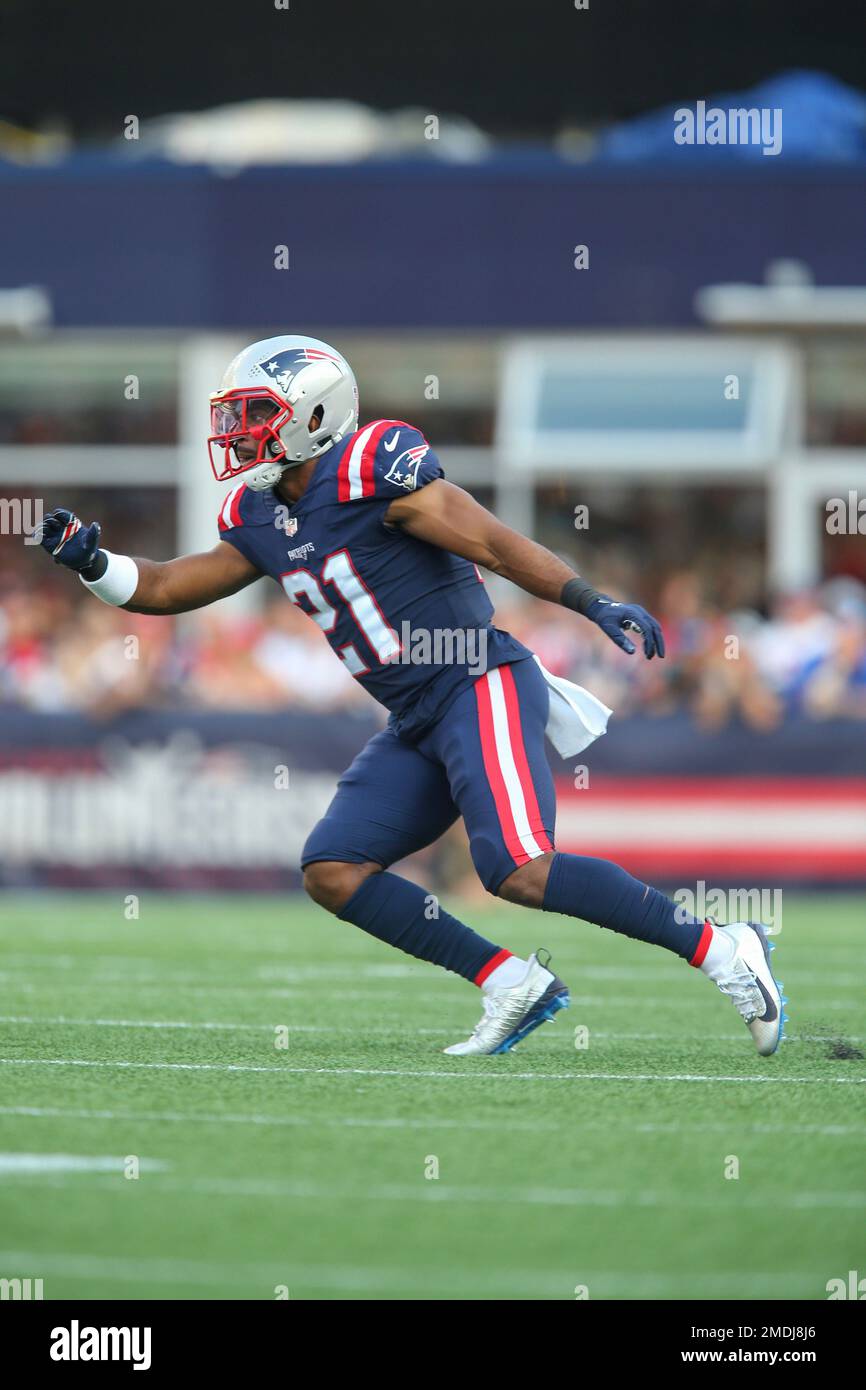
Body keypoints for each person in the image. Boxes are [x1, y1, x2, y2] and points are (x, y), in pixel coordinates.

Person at [36, 334, 784, 1056]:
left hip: (477, 681)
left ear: (314, 414)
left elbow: (491, 542)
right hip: (416, 716)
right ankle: (510, 983)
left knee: (519, 868)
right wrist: (95, 563)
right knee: (334, 869)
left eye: (255, 413)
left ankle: (722, 946)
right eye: (233, 416)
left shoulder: (370, 466)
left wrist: (590, 601)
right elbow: (168, 586)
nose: (238, 433)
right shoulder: (256, 515)